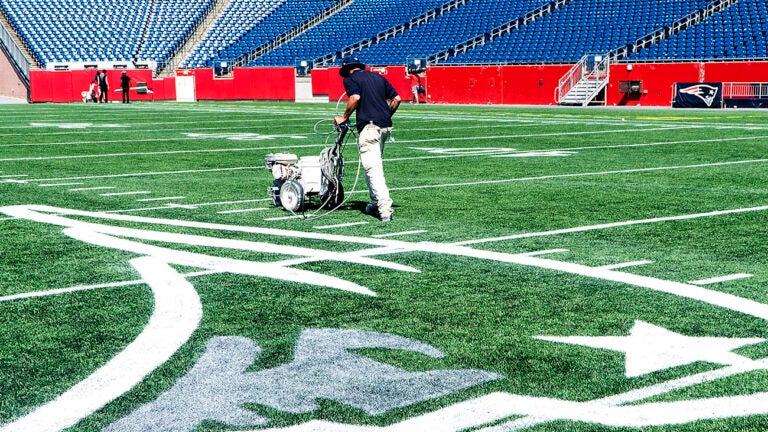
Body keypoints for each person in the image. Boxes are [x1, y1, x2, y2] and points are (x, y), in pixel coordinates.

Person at [334, 56, 400, 222]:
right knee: (371, 166)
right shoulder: (378, 77)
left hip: (369, 128)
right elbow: (396, 99)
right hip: (384, 127)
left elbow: (355, 98)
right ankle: (374, 202)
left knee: (373, 169)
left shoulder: (350, 79)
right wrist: (385, 115)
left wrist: (344, 116)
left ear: (347, 70)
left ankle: (384, 208)